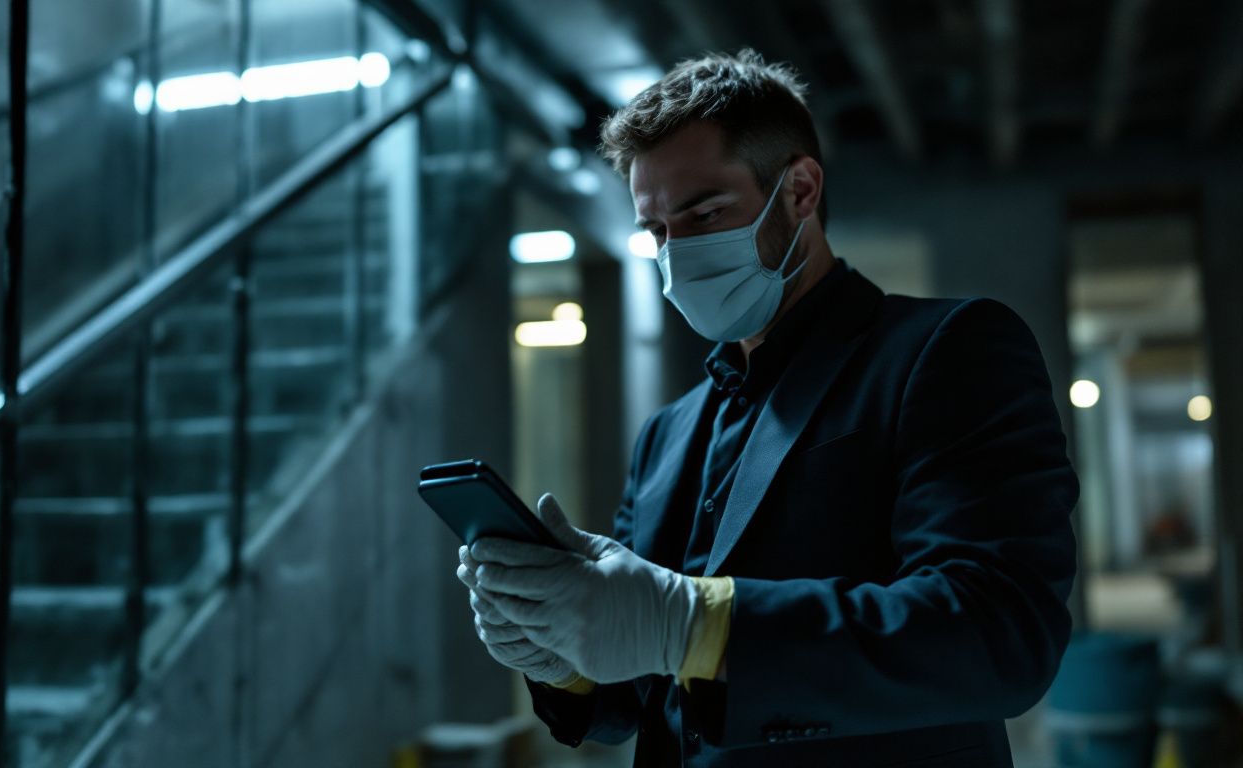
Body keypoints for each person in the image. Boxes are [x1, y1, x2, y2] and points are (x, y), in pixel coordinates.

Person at [455, 49, 1078, 767]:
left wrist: (693, 624)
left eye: (705, 212)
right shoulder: (667, 435)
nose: (676, 252)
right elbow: (634, 702)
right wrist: (558, 646)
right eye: (655, 231)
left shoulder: (945, 352)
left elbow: (1000, 634)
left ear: (800, 190)